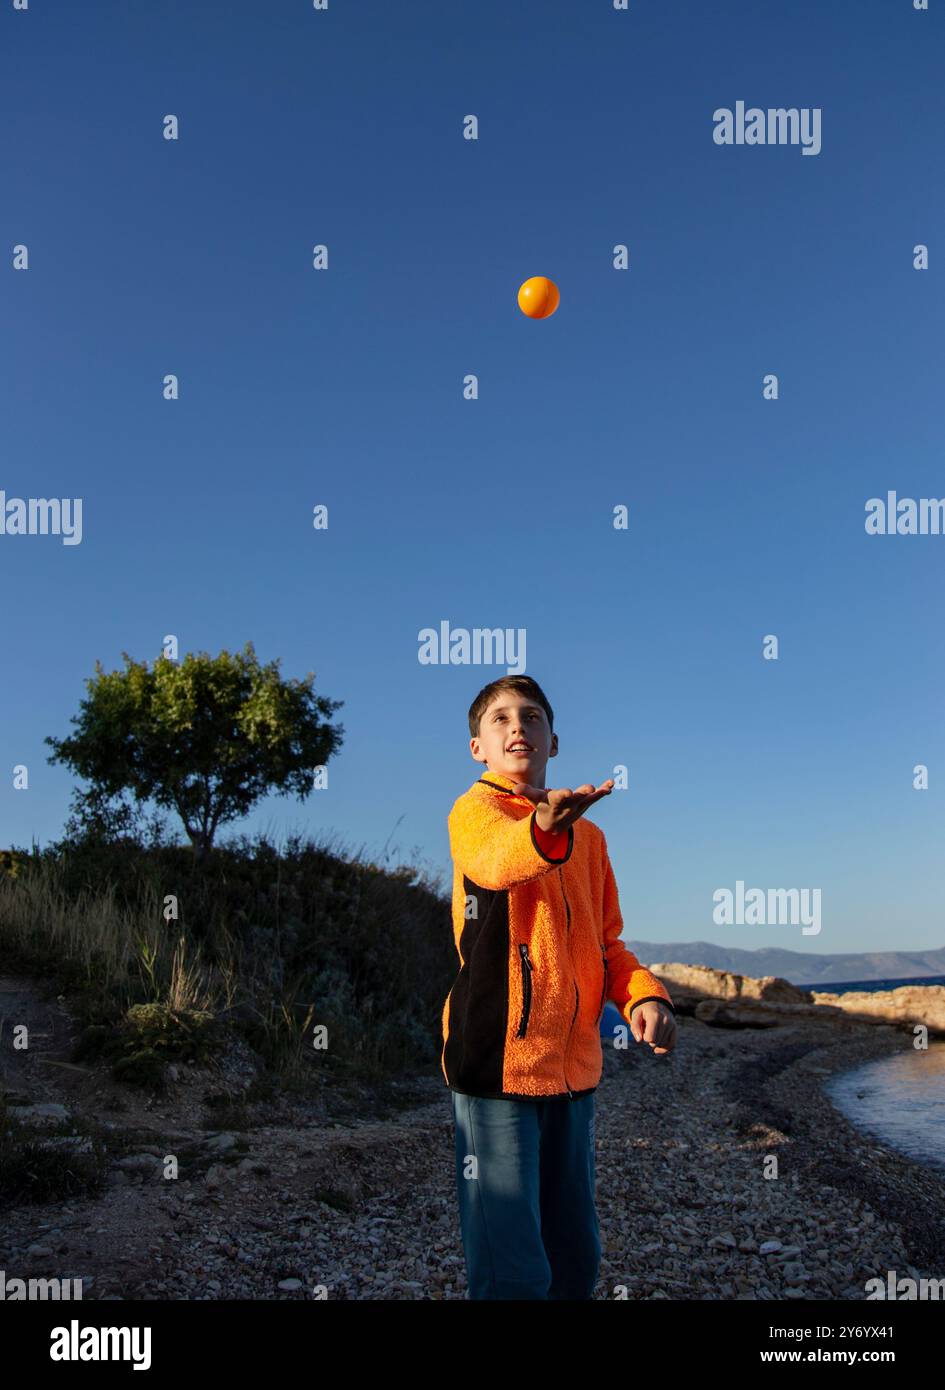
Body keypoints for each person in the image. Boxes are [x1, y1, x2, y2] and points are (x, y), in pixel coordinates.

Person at [441, 674, 677, 1300]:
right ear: (479, 749)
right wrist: (545, 829)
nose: (517, 726)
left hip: (573, 1073)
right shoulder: (475, 813)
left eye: (532, 717)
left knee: (576, 1259)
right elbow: (496, 861)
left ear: (553, 740)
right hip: (499, 1065)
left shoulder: (590, 839)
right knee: (514, 1268)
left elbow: (608, 945)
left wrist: (643, 996)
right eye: (500, 719)